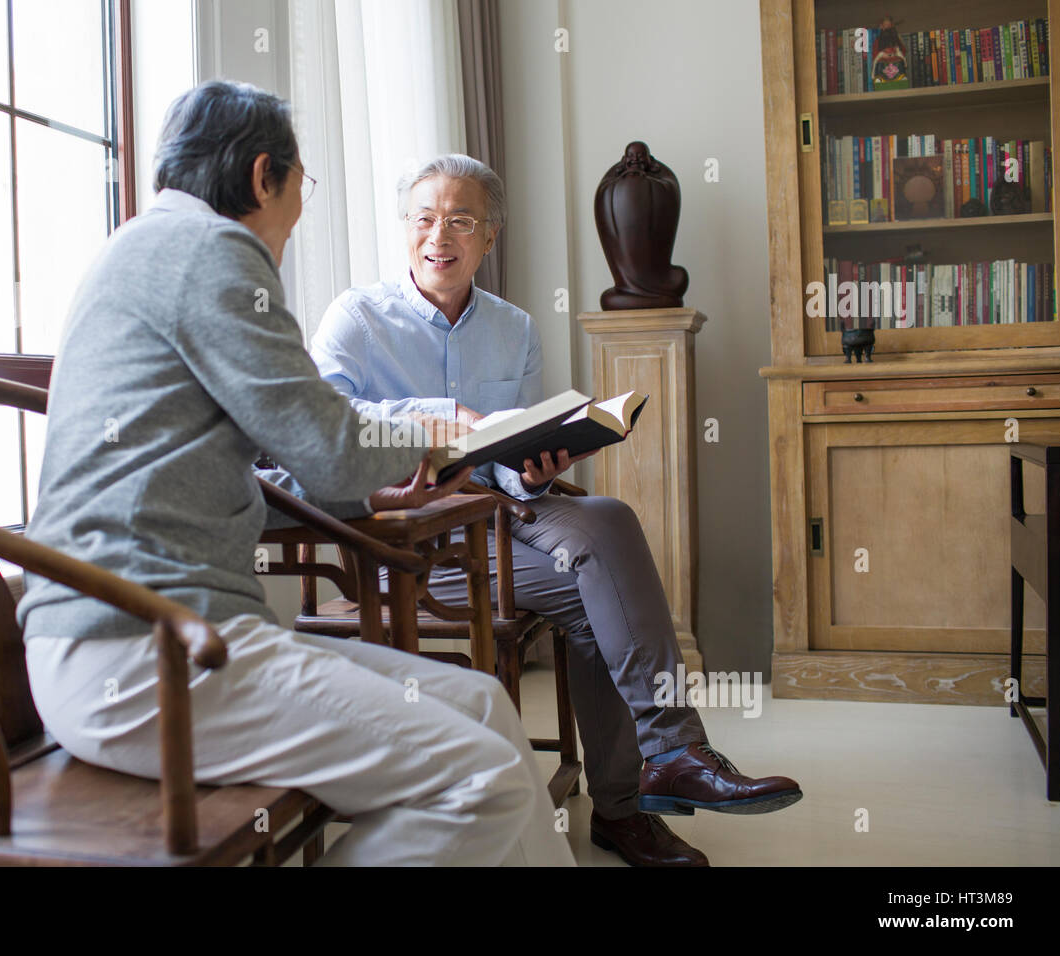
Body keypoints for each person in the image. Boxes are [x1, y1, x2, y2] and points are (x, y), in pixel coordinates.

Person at [15, 84, 576, 866]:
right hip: (142, 656)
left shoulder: (148, 247)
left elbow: (271, 469)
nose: (299, 211)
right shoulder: (211, 254)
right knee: (480, 779)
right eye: (301, 185)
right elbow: (329, 441)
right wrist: (430, 435)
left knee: (482, 703)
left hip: (163, 645)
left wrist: (375, 479)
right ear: (260, 177)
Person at [310, 153, 802, 867]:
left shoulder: (513, 328)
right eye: (423, 218)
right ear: (405, 228)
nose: (437, 235)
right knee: (601, 589)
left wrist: (537, 469)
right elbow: (321, 423)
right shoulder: (356, 317)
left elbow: (511, 460)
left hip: (501, 521)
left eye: (460, 220)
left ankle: (665, 763)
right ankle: (643, 789)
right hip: (406, 543)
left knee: (609, 516)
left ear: (490, 235)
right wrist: (436, 415)